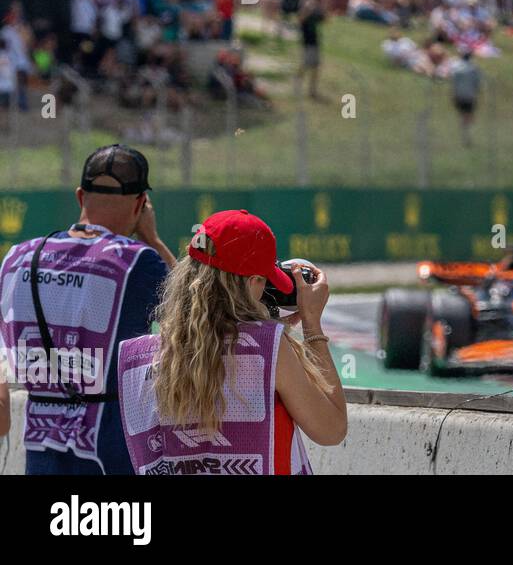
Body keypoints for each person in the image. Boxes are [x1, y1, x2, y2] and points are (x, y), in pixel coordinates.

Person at [117, 210, 346, 475]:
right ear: (252, 282)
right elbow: (332, 429)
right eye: (263, 281)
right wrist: (311, 324)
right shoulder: (270, 351)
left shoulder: (140, 357)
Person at [0, 145, 176, 475]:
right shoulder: (138, 262)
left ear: (80, 197)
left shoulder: (16, 259)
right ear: (140, 204)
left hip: (39, 453)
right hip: (110, 453)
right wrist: (152, 239)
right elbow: (195, 316)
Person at [450, 50, 482, 147]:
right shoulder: (474, 69)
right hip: (470, 95)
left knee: (462, 115)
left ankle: (464, 134)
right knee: (469, 115)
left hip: (459, 95)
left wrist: (453, 94)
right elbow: (477, 83)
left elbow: (454, 83)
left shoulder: (457, 68)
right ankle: (468, 134)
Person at [298, 0, 326, 100]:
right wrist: (308, 10)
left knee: (316, 68)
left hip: (315, 44)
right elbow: (300, 20)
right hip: (307, 45)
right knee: (305, 65)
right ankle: (298, 81)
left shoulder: (315, 16)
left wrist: (319, 8)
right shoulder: (303, 14)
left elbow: (326, 19)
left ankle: (312, 90)